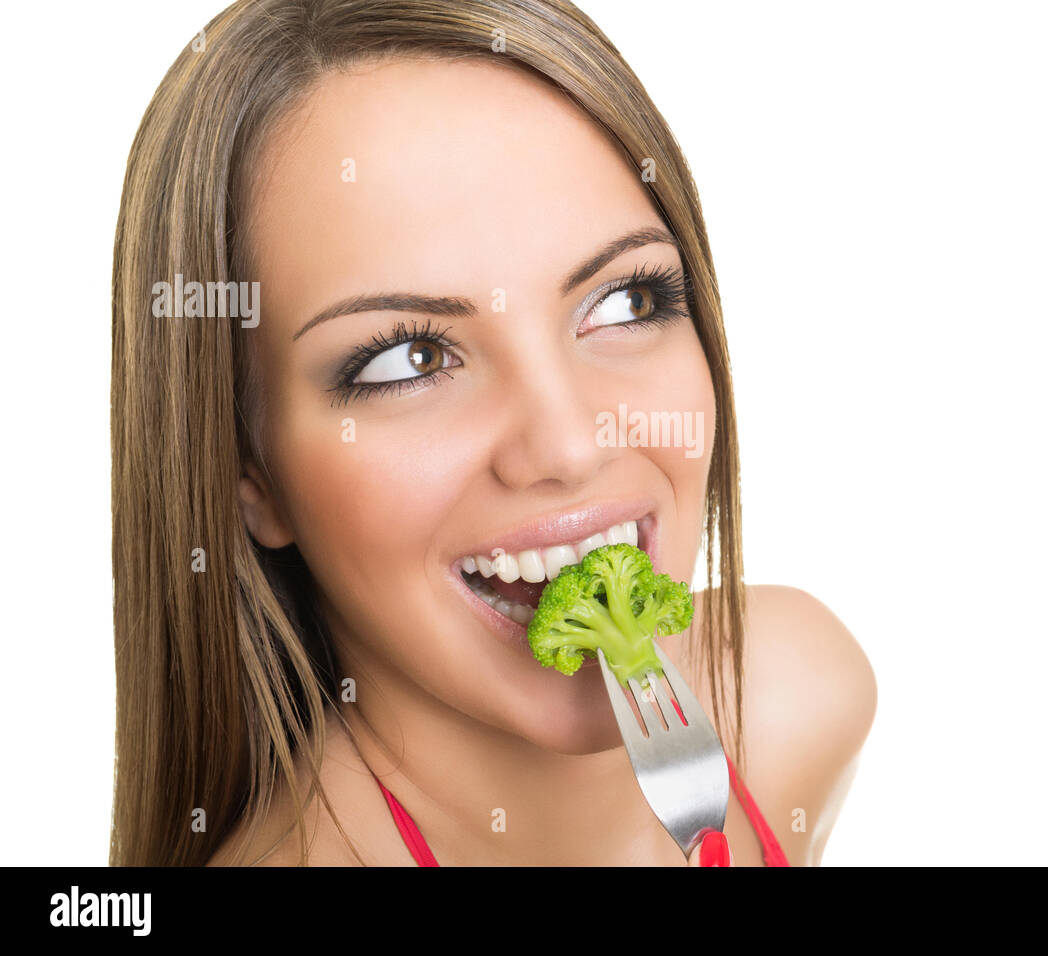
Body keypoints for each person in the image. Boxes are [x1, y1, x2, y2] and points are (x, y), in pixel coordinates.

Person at [110, 0, 877, 867]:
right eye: (410, 358)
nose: (569, 446)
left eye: (625, 301)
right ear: (250, 477)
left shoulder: (794, 696)